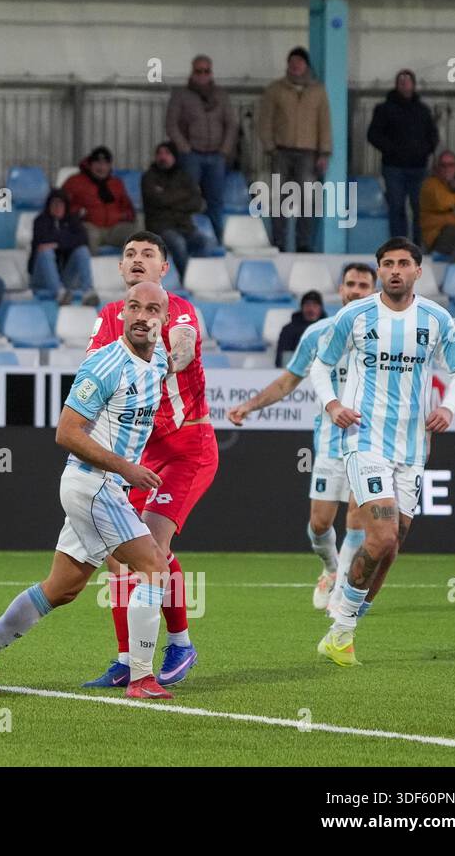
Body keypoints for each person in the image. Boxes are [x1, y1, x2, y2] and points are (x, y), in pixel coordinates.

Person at [0, 281, 174, 700]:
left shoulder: (158, 355)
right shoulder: (104, 365)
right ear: (122, 314)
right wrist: (128, 467)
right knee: (154, 566)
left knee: (62, 587)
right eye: (134, 308)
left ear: (163, 317)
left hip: (104, 488)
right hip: (93, 484)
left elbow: (171, 360)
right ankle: (142, 678)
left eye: (152, 310)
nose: (142, 316)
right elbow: (66, 432)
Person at [311, 238, 455, 666]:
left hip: (413, 448)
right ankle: (342, 626)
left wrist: (449, 407)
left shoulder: (437, 319)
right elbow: (320, 365)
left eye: (403, 263)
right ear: (379, 271)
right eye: (387, 264)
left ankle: (344, 624)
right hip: (365, 442)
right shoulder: (355, 315)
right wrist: (333, 405)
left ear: (419, 271)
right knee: (379, 535)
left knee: (393, 545)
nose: (395, 270)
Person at [81, 231, 215, 689]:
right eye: (129, 255)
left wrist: (164, 359)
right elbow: (94, 373)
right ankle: (125, 659)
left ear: (164, 269)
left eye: (148, 255)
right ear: (120, 269)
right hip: (138, 454)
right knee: (119, 557)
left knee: (151, 550)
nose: (137, 260)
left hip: (187, 448)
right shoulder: (109, 317)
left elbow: (182, 346)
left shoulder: (177, 311)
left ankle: (180, 641)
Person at [229, 263, 377, 611]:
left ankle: (341, 596)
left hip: (371, 441)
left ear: (373, 291)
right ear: (340, 289)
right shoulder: (318, 334)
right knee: (319, 524)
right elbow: (287, 382)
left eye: (364, 285)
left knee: (357, 516)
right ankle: (330, 569)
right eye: (351, 284)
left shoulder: (385, 334)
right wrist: (250, 405)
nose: (356, 291)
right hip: (329, 441)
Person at [257, 46, 331, 252]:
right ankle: (278, 242)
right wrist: (270, 146)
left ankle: (303, 243)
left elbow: (324, 122)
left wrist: (324, 152)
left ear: (306, 65)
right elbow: (265, 120)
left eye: (300, 62)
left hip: (308, 153)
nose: (295, 66)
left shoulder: (318, 91)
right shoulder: (275, 89)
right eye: (292, 62)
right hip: (281, 151)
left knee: (307, 200)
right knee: (278, 199)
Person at [166, 54, 238, 240]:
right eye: (199, 71)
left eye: (206, 71)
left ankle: (216, 237)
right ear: (192, 72)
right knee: (187, 198)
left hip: (216, 156)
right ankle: (188, 236)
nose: (203, 74)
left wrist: (225, 150)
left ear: (211, 72)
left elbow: (231, 123)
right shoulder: (180, 95)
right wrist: (184, 148)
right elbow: (171, 124)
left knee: (215, 201)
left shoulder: (221, 96)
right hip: (191, 155)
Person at [366, 69, 438, 244]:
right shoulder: (384, 109)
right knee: (396, 208)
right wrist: (391, 149)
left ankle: (419, 246)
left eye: (408, 80)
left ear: (413, 84)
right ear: (396, 85)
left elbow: (433, 135)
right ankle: (399, 245)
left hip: (419, 167)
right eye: (401, 80)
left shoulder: (423, 110)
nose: (404, 83)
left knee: (420, 208)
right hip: (393, 167)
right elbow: (373, 135)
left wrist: (425, 150)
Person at [142, 140, 206, 280]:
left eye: (167, 153)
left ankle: (203, 279)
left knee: (203, 241)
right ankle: (187, 280)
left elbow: (197, 203)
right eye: (159, 153)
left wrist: (168, 198)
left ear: (174, 157)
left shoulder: (184, 176)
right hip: (160, 227)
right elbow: (158, 200)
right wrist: (183, 195)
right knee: (178, 244)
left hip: (184, 225)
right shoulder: (149, 177)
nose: (162, 157)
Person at [60, 146, 137, 252]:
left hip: (114, 229)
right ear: (90, 164)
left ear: (110, 166)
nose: (101, 168)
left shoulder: (116, 183)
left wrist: (124, 215)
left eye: (105, 164)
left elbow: (128, 209)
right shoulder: (74, 181)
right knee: (88, 235)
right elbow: (61, 206)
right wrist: (77, 213)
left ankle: (133, 268)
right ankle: (91, 267)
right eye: (98, 163)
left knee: (137, 237)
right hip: (90, 227)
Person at [27, 188, 93, 306]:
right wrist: (67, 239)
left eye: (61, 204)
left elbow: (83, 240)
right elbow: (43, 241)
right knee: (46, 252)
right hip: (41, 277)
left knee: (82, 251)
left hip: (64, 276)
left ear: (66, 206)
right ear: (49, 205)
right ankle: (59, 293)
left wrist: (57, 244)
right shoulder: (40, 221)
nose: (58, 207)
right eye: (54, 203)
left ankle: (88, 292)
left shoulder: (72, 221)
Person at [273, 289, 325, 369]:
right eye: (307, 305)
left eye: (315, 305)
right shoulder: (289, 330)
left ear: (320, 308)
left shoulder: (328, 329)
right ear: (302, 308)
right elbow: (283, 360)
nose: (311, 309)